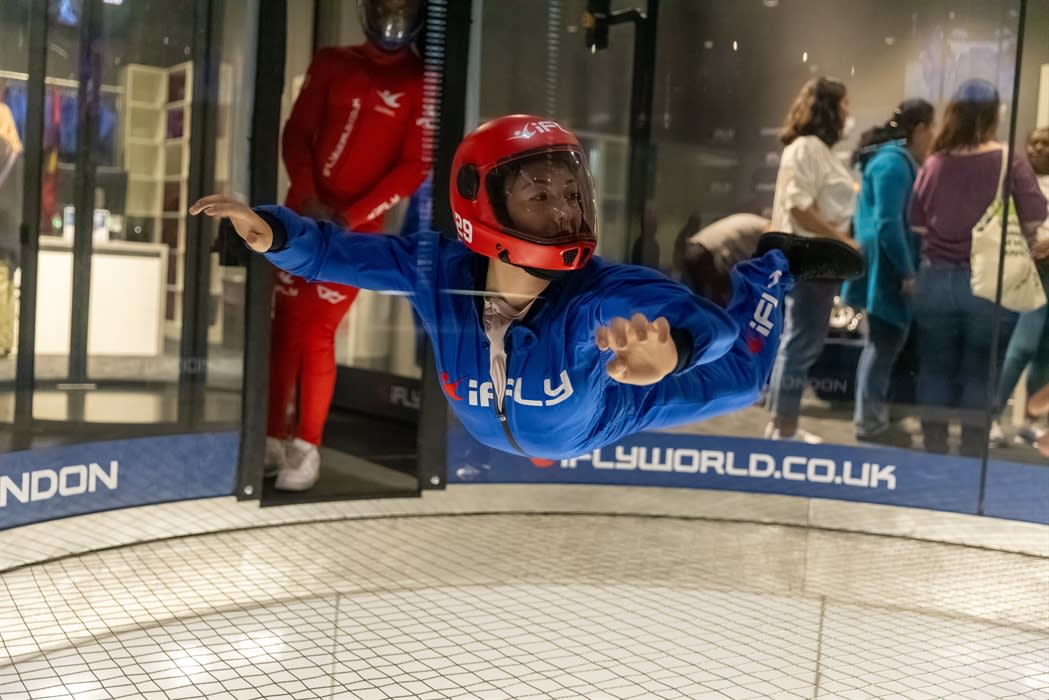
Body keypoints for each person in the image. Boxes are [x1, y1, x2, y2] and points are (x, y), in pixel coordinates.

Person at [191, 114, 863, 460]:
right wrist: (273, 233)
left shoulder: (601, 291)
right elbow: (340, 252)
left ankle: (771, 262)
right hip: (523, 429)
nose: (566, 209)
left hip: (613, 408)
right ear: (478, 201)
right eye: (541, 192)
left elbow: (702, 324)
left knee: (746, 379)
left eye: (572, 191)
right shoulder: (439, 271)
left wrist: (674, 350)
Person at [266, 0, 430, 490]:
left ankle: (306, 446)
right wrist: (309, 196)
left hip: (356, 235)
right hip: (300, 218)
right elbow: (296, 133)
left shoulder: (423, 81)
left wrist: (349, 216)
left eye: (404, 6)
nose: (393, 16)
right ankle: (272, 433)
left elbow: (413, 167)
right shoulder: (334, 62)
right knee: (284, 329)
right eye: (385, 4)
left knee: (317, 332)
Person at [909, 80, 1048, 457]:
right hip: (990, 281)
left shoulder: (935, 162)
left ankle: (934, 449)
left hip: (936, 278)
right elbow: (1036, 215)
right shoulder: (1007, 160)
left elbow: (917, 223)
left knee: (935, 369)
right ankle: (972, 456)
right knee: (979, 372)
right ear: (992, 115)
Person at [765, 76, 860, 444]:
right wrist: (844, 240)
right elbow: (799, 207)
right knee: (801, 341)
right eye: (844, 103)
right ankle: (783, 426)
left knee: (801, 340)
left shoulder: (817, 150)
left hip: (818, 261)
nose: (848, 111)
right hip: (811, 260)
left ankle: (781, 422)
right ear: (829, 107)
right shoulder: (806, 147)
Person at [841, 99, 935, 447]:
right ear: (921, 129)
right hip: (886, 271)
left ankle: (873, 416)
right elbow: (887, 224)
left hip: (882, 268)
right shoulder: (894, 165)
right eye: (931, 128)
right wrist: (908, 272)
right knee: (882, 346)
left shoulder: (888, 161)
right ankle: (868, 422)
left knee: (881, 345)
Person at [992, 126, 1049, 448]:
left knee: (1045, 353)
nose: (1038, 148)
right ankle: (992, 416)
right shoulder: (1017, 183)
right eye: (1034, 142)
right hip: (1029, 273)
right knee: (1022, 347)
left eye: (1046, 144)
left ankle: (1031, 422)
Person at [681, 213, 770, 309]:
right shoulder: (765, 226)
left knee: (702, 299)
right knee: (723, 295)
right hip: (706, 251)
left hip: (693, 248)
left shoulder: (750, 221)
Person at [0, 86, 23, 358]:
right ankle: (5, 342)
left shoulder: (2, 149)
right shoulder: (18, 154)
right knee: (6, 287)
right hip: (12, 228)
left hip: (0, 225)